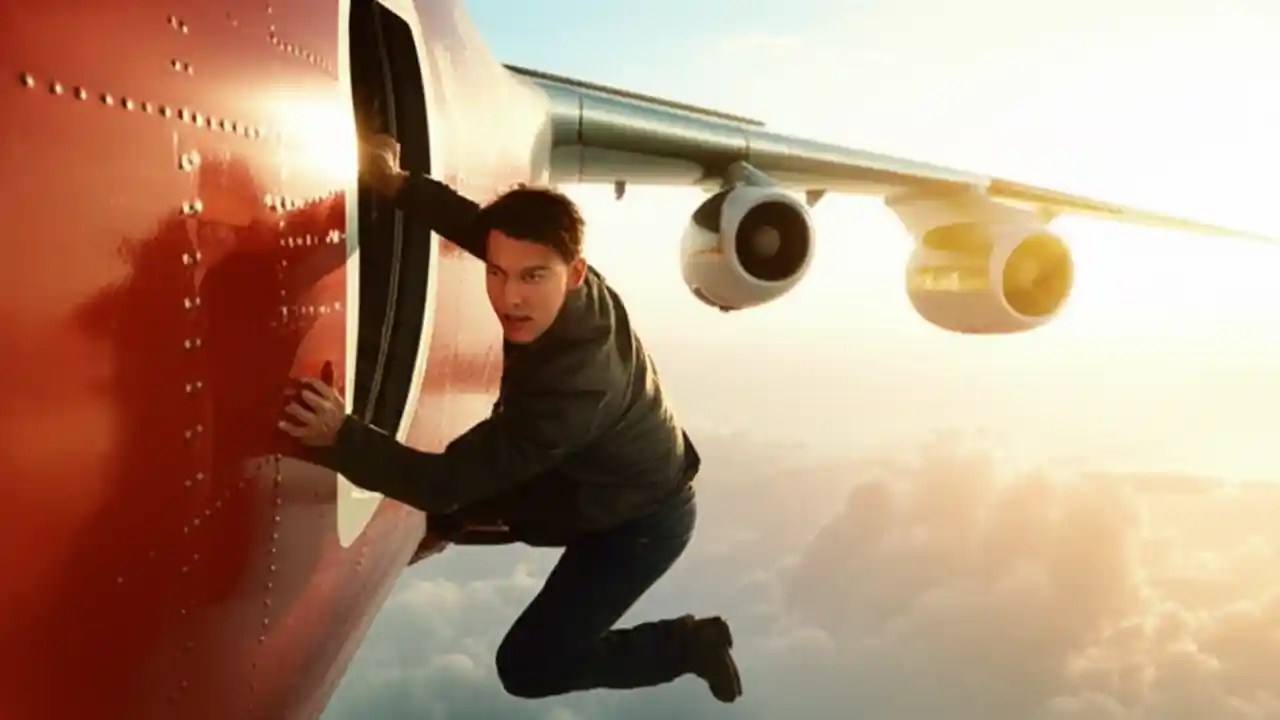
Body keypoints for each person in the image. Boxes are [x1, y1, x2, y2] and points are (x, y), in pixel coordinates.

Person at [279, 135, 743, 703]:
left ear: (576, 273)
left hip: (640, 523)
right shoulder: (553, 267)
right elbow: (481, 229)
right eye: (497, 273)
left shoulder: (573, 391)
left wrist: (340, 436)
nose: (509, 298)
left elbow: (441, 483)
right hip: (600, 471)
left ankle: (688, 646)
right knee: (451, 509)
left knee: (528, 667)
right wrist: (396, 182)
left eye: (532, 278)